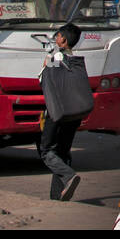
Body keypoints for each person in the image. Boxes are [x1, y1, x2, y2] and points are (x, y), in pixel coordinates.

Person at [38, 22, 85, 201]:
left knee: (46, 151)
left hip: (57, 111)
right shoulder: (75, 60)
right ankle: (58, 195)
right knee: (62, 152)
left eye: (57, 35)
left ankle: (69, 176)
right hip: (74, 112)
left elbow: (46, 79)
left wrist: (46, 62)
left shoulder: (56, 57)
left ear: (63, 40)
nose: (56, 38)